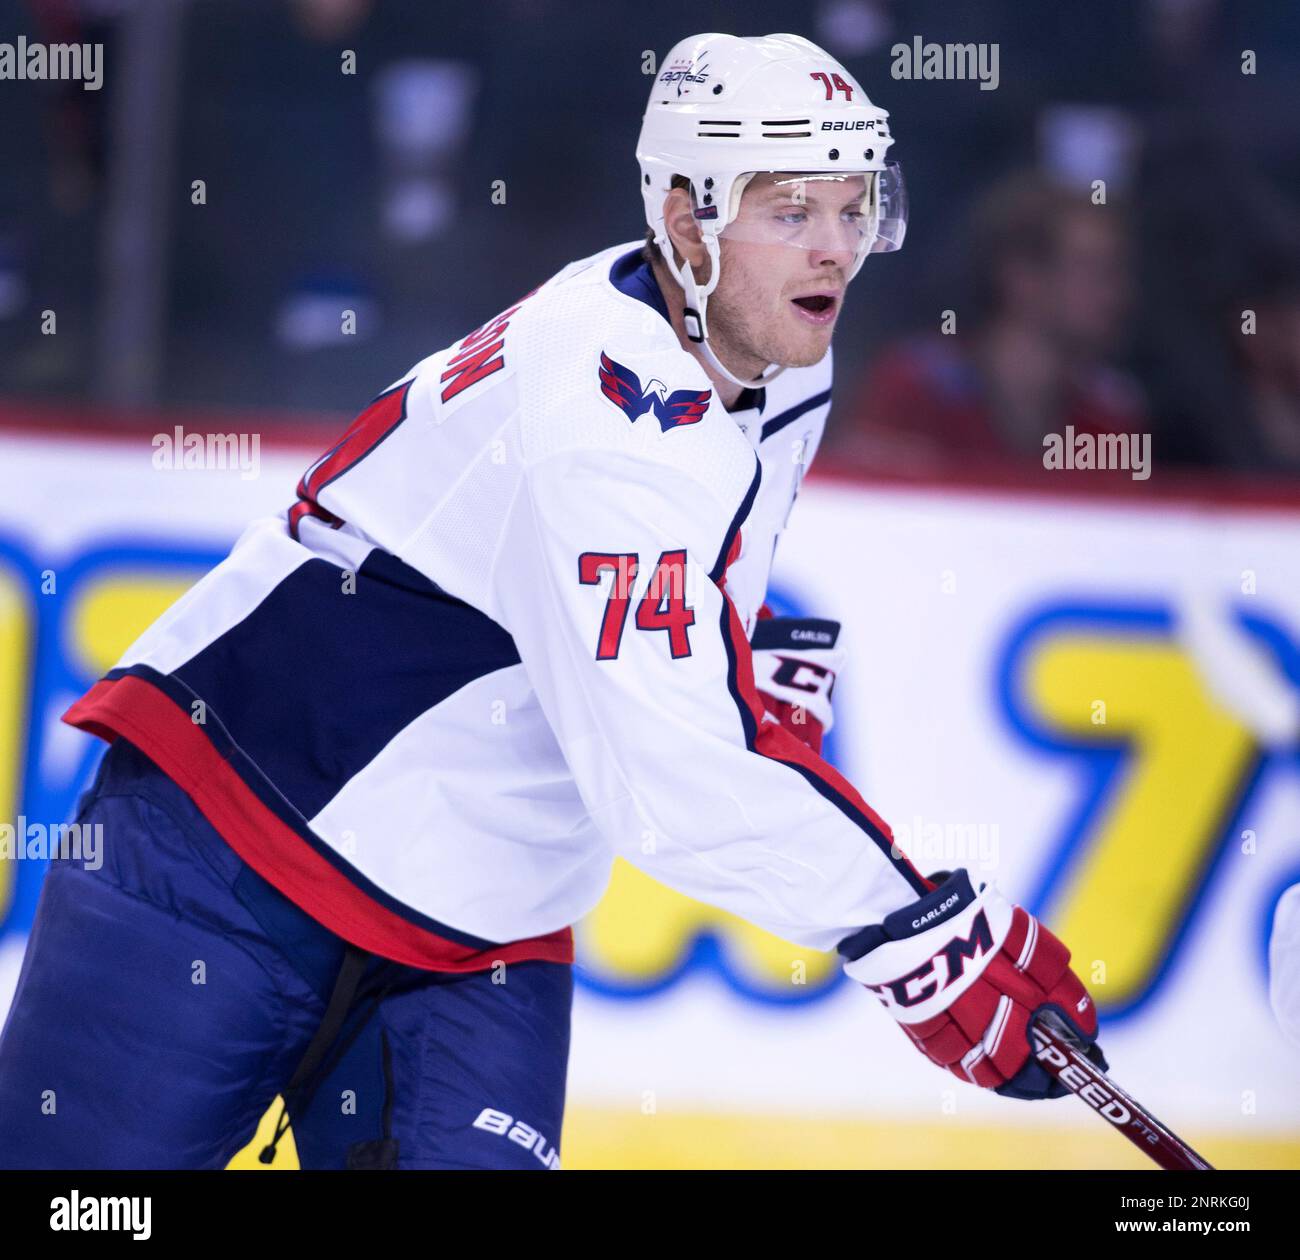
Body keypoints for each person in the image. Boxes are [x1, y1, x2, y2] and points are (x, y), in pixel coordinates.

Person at [0, 32, 1103, 1171]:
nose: (836, 249)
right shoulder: (613, 415)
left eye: (853, 206)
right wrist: (918, 938)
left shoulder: (777, 349)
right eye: (791, 212)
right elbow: (670, 778)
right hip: (227, 841)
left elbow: (659, 612)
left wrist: (720, 659)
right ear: (686, 221)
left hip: (478, 918)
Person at [831, 171, 1147, 476]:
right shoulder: (917, 386)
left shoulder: (1111, 411)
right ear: (1020, 275)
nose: (1115, 291)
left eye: (1117, 270)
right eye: (1090, 268)